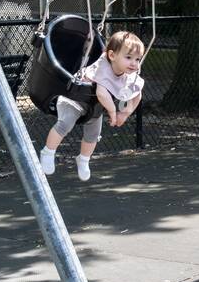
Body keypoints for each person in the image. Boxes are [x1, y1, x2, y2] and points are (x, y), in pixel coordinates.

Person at [39, 29, 146, 182]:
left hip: (94, 106)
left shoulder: (128, 73)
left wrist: (126, 113)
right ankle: (48, 152)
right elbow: (102, 93)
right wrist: (113, 112)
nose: (134, 63)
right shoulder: (104, 67)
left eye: (137, 59)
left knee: (93, 136)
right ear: (112, 55)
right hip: (74, 99)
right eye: (129, 57)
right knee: (65, 124)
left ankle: (83, 160)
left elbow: (137, 94)